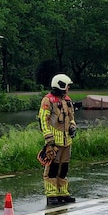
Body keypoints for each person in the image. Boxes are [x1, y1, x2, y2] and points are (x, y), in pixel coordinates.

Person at [40, 74, 77, 206]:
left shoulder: (67, 100)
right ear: (61, 86)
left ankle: (62, 193)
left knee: (64, 167)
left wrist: (73, 126)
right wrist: (49, 140)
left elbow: (72, 117)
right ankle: (51, 194)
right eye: (67, 86)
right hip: (54, 142)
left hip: (67, 141)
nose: (68, 89)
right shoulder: (48, 101)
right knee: (52, 168)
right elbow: (43, 121)